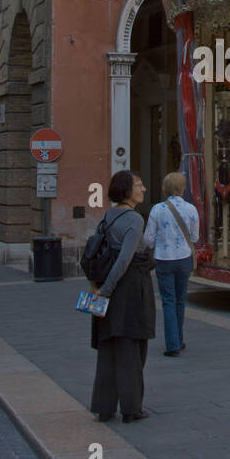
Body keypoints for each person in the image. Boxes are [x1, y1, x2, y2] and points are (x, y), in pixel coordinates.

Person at [88, 170, 156, 424]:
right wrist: (108, 289)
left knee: (108, 349)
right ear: (126, 191)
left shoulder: (107, 216)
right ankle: (131, 408)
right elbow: (124, 260)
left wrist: (99, 289)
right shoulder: (135, 220)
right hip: (128, 291)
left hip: (106, 289)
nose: (143, 189)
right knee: (131, 349)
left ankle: (104, 407)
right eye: (138, 185)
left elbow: (97, 253)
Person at [144, 172, 199, 357]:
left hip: (164, 259)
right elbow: (195, 237)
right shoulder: (191, 209)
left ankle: (172, 344)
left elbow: (148, 240)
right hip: (184, 258)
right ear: (182, 188)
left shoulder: (157, 210)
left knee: (168, 300)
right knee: (180, 300)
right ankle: (179, 338)